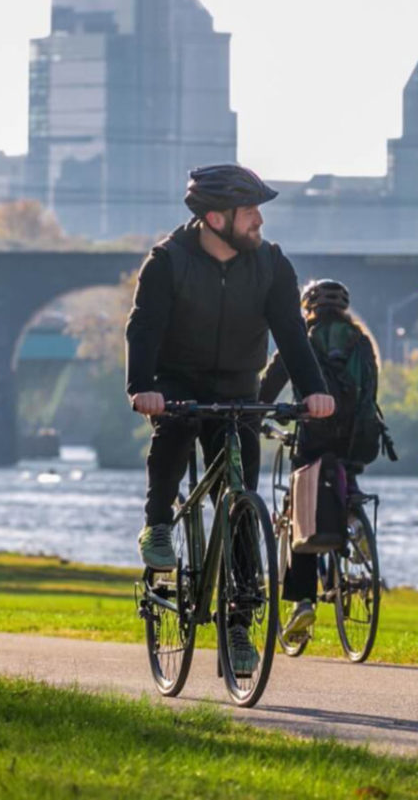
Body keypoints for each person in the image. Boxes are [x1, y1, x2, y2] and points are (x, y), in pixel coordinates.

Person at [126, 164, 335, 672]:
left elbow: (291, 333)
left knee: (242, 501)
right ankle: (158, 526)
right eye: (250, 212)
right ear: (216, 219)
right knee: (175, 432)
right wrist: (142, 388)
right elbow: (144, 328)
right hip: (177, 380)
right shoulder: (167, 262)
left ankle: (237, 628)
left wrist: (315, 392)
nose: (259, 220)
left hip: (239, 384)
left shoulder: (271, 265)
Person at [259, 278, 388, 645]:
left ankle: (303, 602)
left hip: (314, 436)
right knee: (343, 473)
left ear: (308, 307)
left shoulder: (302, 337)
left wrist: (258, 409)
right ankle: (354, 520)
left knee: (303, 511)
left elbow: (271, 382)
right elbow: (370, 393)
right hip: (359, 439)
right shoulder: (361, 341)